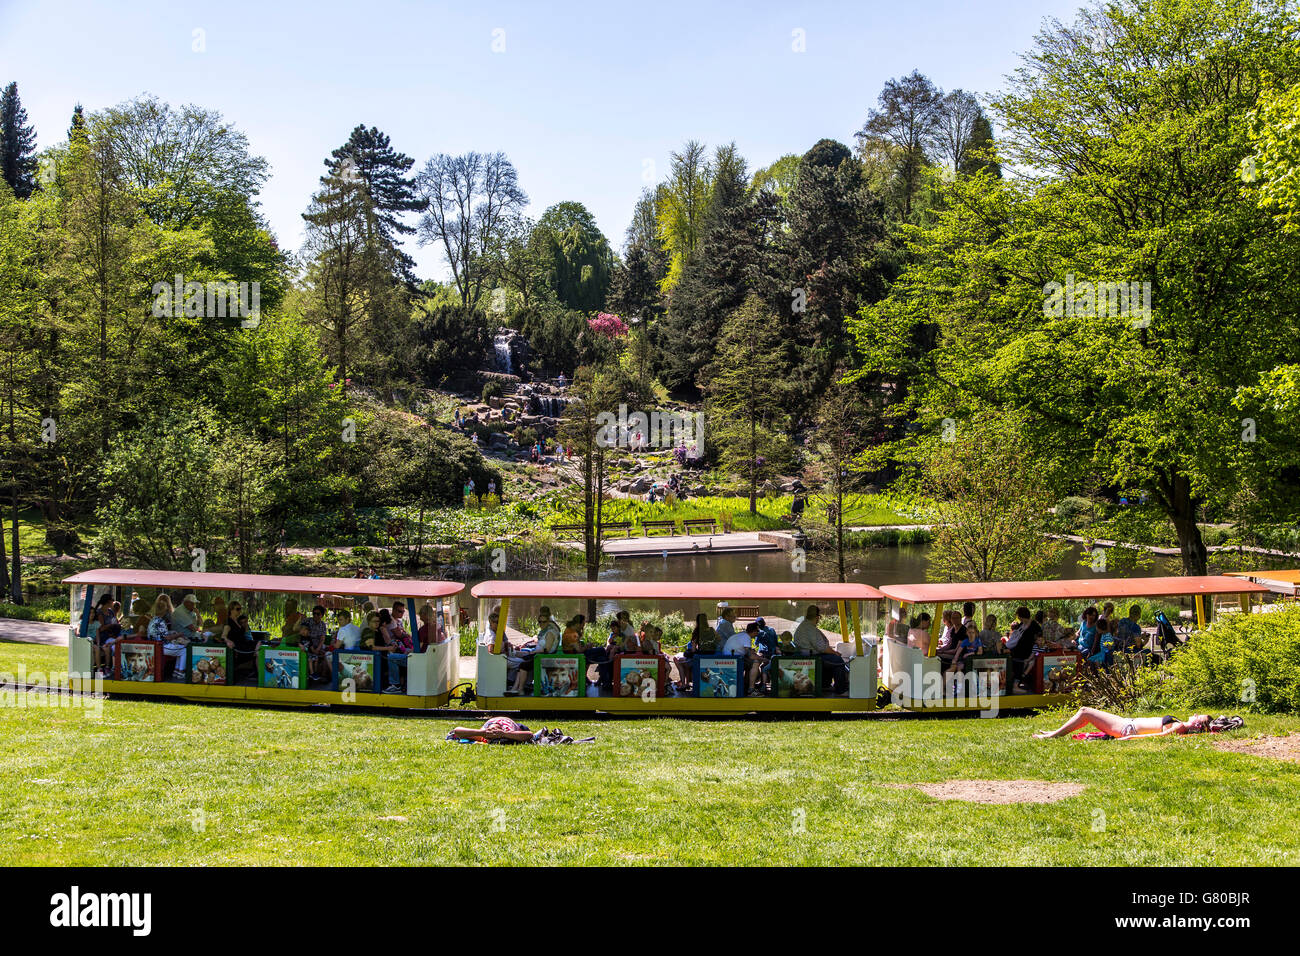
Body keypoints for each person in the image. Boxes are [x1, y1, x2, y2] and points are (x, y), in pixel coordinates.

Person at [1033, 708, 1212, 740]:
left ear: (1198, 724)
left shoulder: (1181, 727)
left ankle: (1052, 735)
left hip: (1127, 729)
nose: (1195, 714)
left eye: (1198, 716)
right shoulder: (1181, 725)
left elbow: (1159, 736)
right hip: (1127, 724)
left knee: (1085, 711)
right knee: (1086, 713)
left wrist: (1131, 738)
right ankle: (1055, 731)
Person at [793, 605, 849, 694]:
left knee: (830, 658)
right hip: (810, 657)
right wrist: (835, 653)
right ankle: (841, 690)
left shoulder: (806, 625)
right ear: (817, 617)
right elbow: (822, 647)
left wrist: (831, 652)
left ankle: (825, 685)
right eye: (819, 617)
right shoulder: (809, 628)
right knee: (837, 660)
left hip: (808, 655)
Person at [147, 594, 190, 679]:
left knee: (180, 649)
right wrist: (179, 634)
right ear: (163, 610)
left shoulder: (153, 619)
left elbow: (162, 633)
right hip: (162, 646)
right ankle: (181, 672)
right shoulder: (161, 621)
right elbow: (167, 638)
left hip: (155, 645)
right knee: (184, 650)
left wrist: (172, 632)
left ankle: (176, 671)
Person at [1005, 606, 1042, 690]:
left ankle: (1016, 685)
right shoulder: (1022, 624)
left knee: (1019, 662)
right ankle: (1013, 684)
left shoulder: (1034, 626)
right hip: (1017, 650)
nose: (1018, 618)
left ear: (1023, 615)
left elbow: (1038, 639)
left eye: (1019, 616)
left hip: (1026, 651)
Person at [725, 621, 764, 695]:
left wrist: (752, 651)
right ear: (753, 631)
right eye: (757, 631)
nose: (757, 634)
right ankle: (751, 689)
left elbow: (745, 650)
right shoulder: (746, 637)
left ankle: (746, 685)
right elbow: (751, 656)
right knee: (755, 662)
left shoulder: (743, 634)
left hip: (732, 658)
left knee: (750, 662)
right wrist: (763, 659)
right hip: (733, 660)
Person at [222, 604, 258, 680]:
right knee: (259, 645)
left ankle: (256, 671)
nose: (239, 611)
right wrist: (228, 641)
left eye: (240, 609)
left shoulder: (237, 621)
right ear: (231, 610)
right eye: (237, 609)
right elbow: (223, 636)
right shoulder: (229, 622)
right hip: (239, 648)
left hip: (244, 644)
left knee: (262, 645)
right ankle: (257, 672)